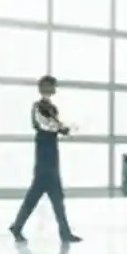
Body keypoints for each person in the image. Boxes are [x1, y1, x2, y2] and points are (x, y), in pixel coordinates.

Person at [10, 75, 82, 244]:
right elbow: (42, 124)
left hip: (49, 154)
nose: (54, 89)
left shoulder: (51, 108)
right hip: (44, 155)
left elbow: (52, 124)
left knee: (50, 197)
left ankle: (62, 232)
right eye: (52, 86)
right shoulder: (38, 107)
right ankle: (62, 232)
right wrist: (60, 128)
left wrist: (60, 127)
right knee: (45, 197)